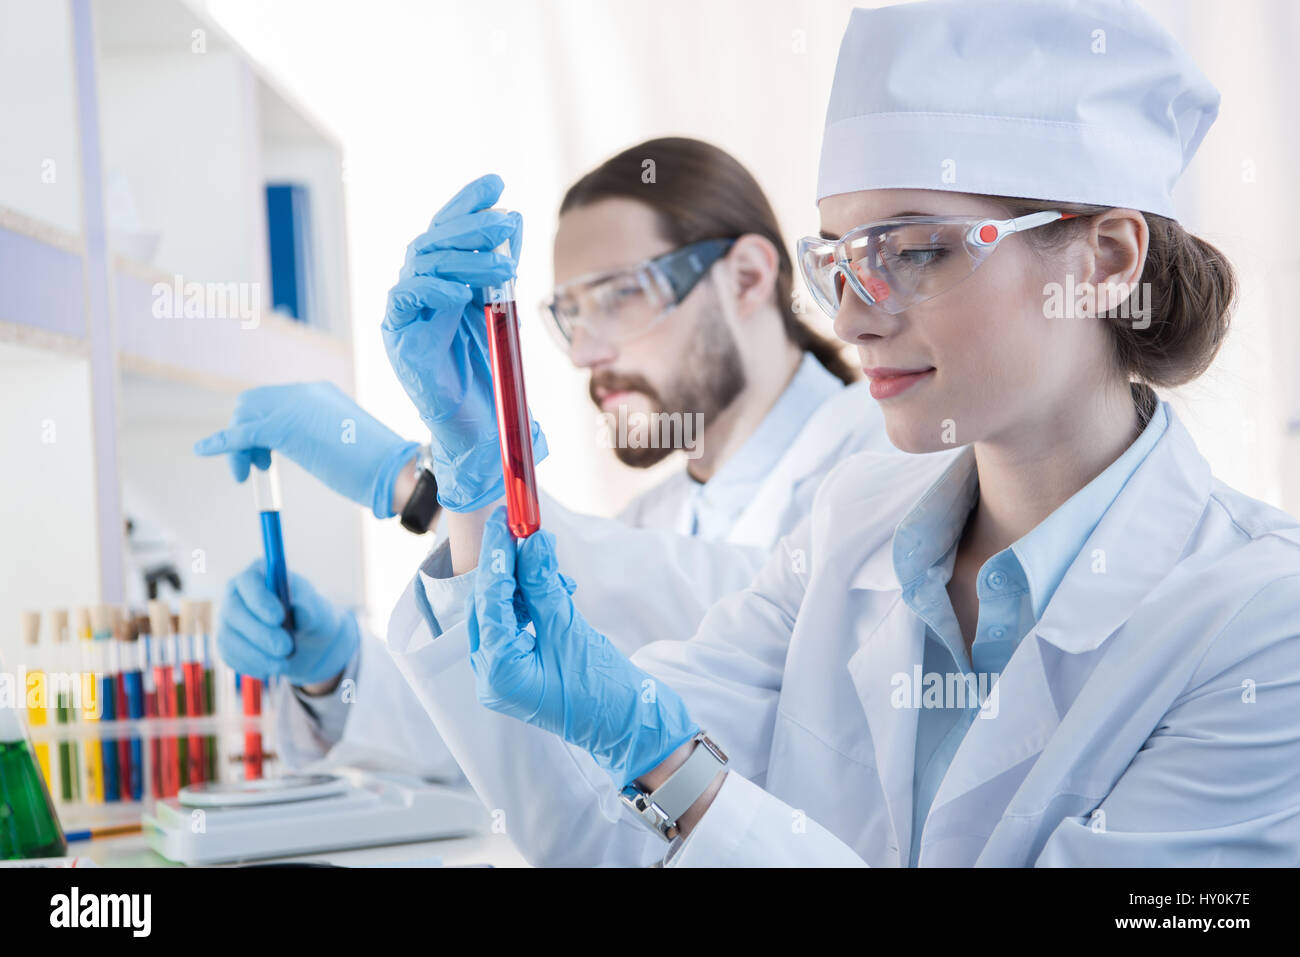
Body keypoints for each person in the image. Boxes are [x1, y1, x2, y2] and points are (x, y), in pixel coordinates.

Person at [384, 0, 1300, 866]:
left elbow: (675, 784)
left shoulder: (1264, 622)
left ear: (1106, 260)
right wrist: (475, 474)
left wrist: (673, 765)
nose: (853, 321)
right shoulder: (851, 527)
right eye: (839, 261)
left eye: (914, 252)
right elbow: (597, 831)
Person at [195, 140, 890, 774]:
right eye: (570, 315)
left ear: (745, 276)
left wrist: (427, 485)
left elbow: (760, 631)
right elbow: (532, 741)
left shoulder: (888, 459)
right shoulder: (658, 518)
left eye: (619, 295)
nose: (586, 354)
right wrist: (336, 671)